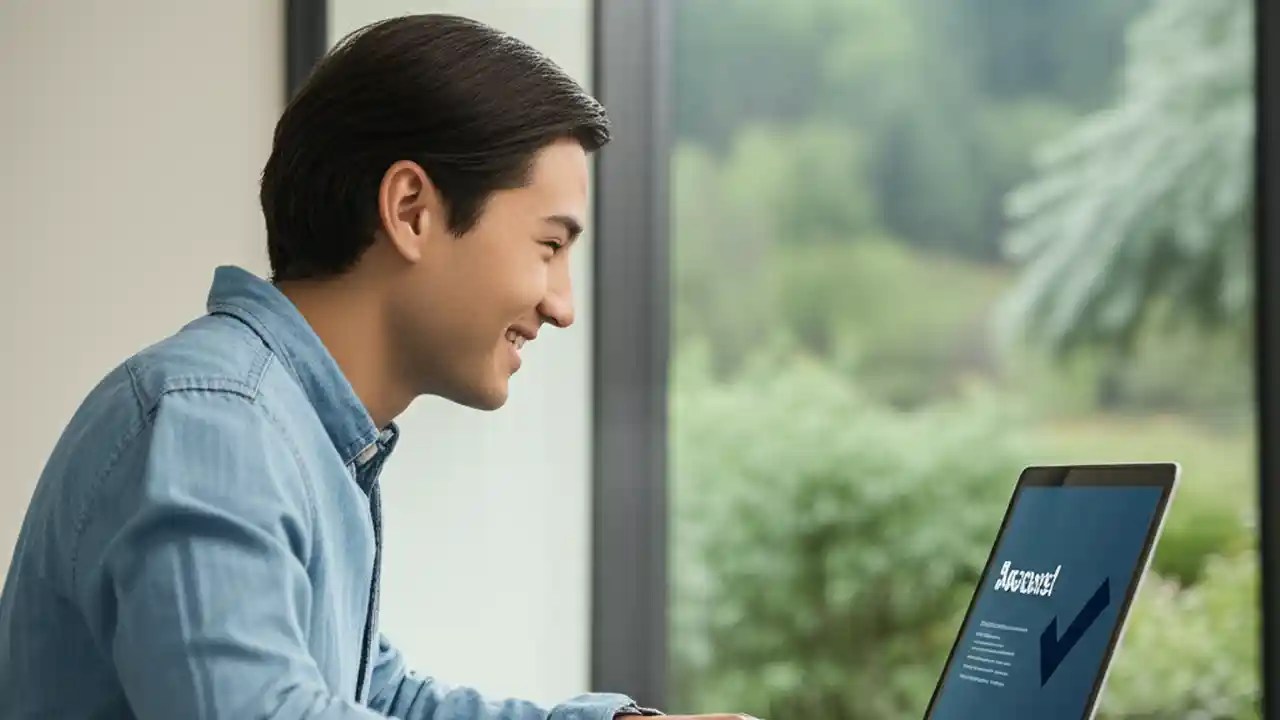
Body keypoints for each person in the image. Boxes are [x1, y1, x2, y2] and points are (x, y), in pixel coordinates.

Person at [0, 14, 743, 720]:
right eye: (549, 247)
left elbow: (383, 698)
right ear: (412, 209)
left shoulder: (297, 437)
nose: (562, 305)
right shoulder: (213, 425)